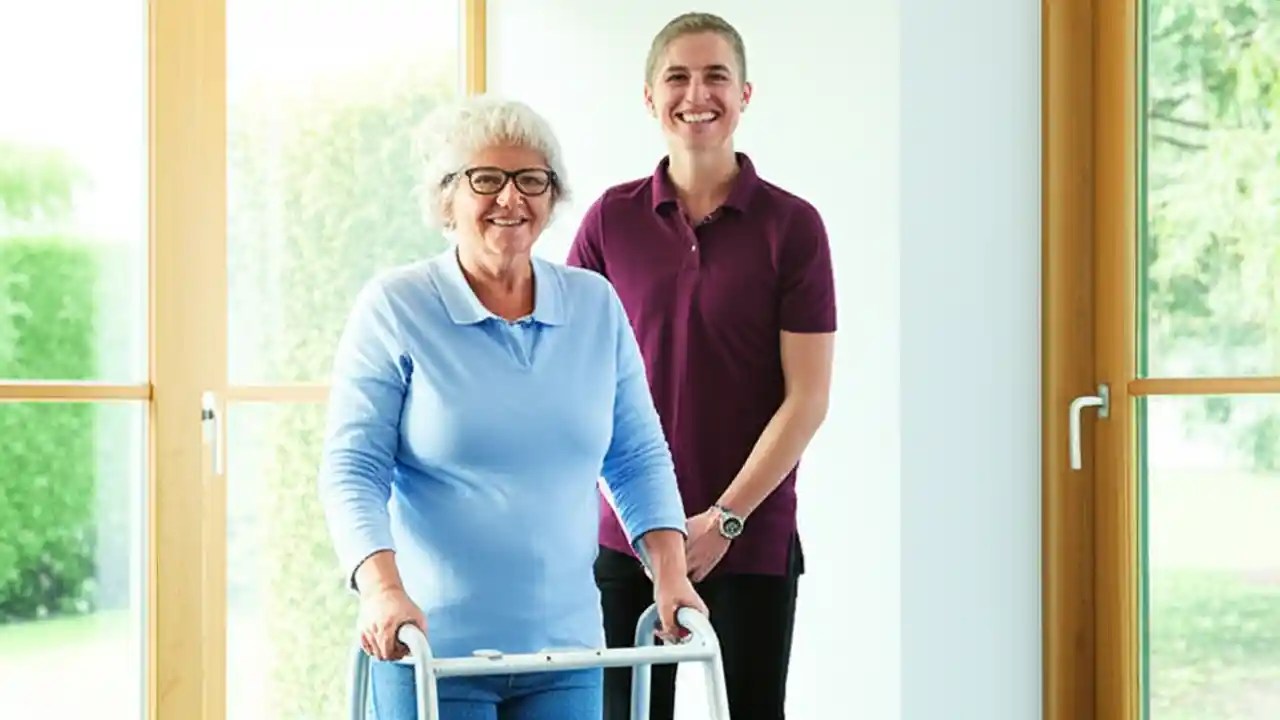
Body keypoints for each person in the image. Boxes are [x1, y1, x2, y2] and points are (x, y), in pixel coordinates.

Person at [317, 94, 708, 720]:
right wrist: (381, 590)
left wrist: (669, 571)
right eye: (486, 180)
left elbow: (635, 455)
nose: (511, 199)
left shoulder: (594, 306)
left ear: (552, 199)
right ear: (446, 199)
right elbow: (352, 469)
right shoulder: (397, 306)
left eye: (532, 180)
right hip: (431, 650)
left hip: (567, 653)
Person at [566, 11, 837, 720]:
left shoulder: (794, 227)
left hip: (749, 539)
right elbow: (574, 381)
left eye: (716, 75)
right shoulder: (607, 222)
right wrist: (653, 530)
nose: (698, 93)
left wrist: (725, 520)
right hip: (623, 540)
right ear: (650, 98)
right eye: (678, 77)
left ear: (746, 94)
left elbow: (806, 398)